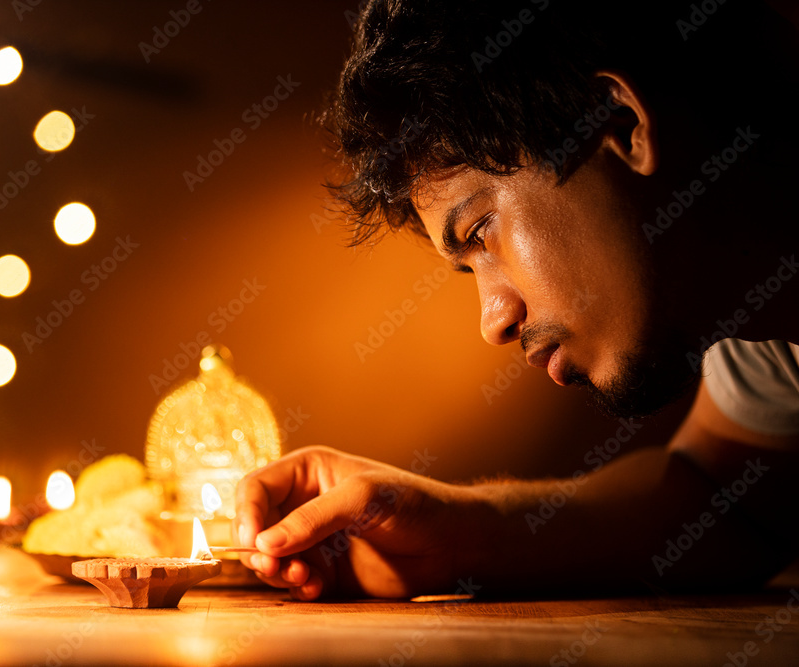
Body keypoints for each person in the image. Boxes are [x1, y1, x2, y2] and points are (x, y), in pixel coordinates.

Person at [231, 0, 799, 600]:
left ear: (618, 123)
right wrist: (456, 538)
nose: (494, 321)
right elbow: (734, 506)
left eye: (480, 232)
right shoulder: (756, 319)